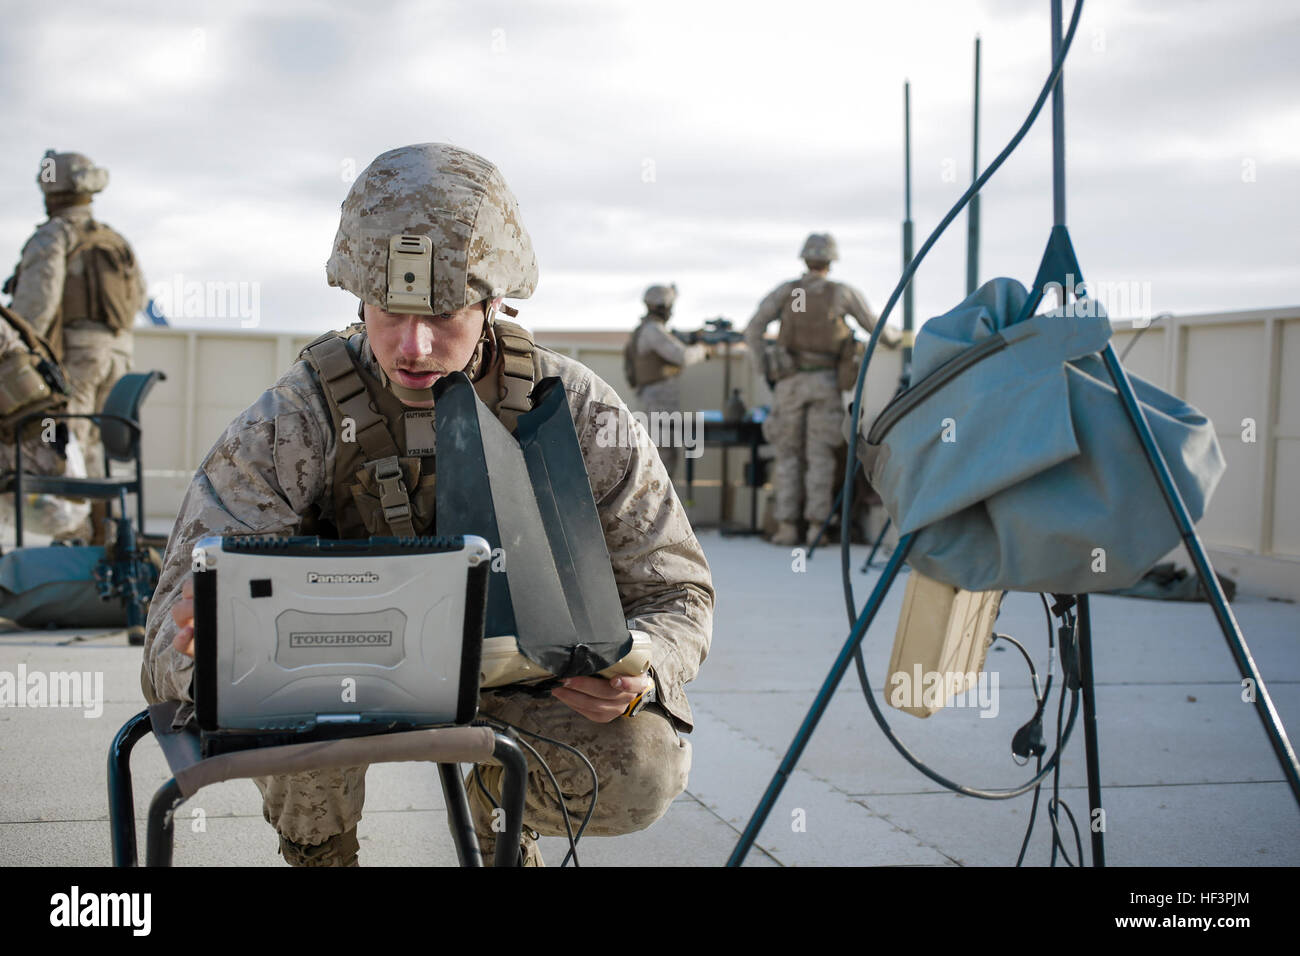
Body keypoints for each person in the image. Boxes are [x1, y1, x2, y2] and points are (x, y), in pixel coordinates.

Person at [140, 143, 714, 867]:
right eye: (390, 311)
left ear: (493, 304)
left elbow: (676, 590)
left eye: (443, 314)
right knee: (287, 722)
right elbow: (169, 628)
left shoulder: (571, 408)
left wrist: (644, 664)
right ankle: (322, 853)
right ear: (359, 299)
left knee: (641, 768)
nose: (412, 345)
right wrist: (214, 649)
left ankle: (501, 812)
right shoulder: (295, 419)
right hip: (336, 692)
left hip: (521, 687)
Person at [6, 150, 145, 541]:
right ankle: (104, 538)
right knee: (96, 445)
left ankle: (80, 542)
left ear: (52, 192)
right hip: (118, 356)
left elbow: (36, 304)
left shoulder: (54, 234)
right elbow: (137, 296)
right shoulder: (114, 239)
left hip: (78, 360)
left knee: (72, 448)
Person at [743, 233, 900, 547]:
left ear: (804, 259)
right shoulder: (841, 293)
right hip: (825, 383)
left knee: (787, 456)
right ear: (831, 261)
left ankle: (787, 528)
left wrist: (767, 369)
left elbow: (753, 329)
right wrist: (900, 339)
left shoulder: (788, 292)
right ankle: (817, 528)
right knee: (821, 458)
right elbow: (880, 331)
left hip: (788, 384)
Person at [623, 284, 707, 479]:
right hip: (658, 404)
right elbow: (681, 356)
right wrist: (703, 350)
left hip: (656, 403)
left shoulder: (650, 329)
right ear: (664, 306)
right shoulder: (653, 330)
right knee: (662, 460)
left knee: (662, 459)